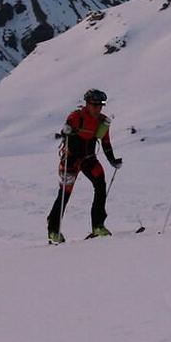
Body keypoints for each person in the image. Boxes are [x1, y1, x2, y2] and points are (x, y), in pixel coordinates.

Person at [47, 88, 123, 243]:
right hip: (71, 160)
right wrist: (66, 132)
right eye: (94, 105)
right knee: (64, 195)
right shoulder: (76, 117)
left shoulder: (102, 121)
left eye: (100, 105)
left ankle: (98, 225)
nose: (98, 108)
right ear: (87, 104)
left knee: (100, 186)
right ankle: (53, 231)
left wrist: (112, 160)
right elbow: (66, 132)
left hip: (89, 159)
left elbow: (106, 143)